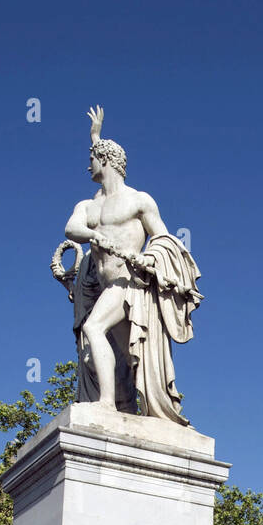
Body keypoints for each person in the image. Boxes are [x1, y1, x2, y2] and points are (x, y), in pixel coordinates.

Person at [63, 106, 203, 423]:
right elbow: (71, 229)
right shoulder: (87, 205)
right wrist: (95, 237)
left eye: (92, 159)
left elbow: (165, 239)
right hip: (102, 289)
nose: (87, 166)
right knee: (130, 357)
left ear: (106, 161)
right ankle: (131, 408)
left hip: (127, 285)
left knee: (94, 328)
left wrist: (150, 258)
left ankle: (107, 404)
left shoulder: (138, 200)